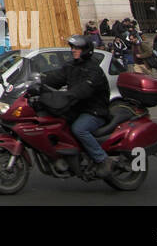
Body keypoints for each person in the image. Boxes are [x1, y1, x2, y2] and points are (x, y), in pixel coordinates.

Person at [35, 34, 114, 178]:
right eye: (73, 47)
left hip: (94, 110)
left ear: (86, 50)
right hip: (77, 108)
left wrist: (66, 96)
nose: (73, 50)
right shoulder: (71, 65)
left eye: (77, 48)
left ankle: (102, 159)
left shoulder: (93, 69)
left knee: (79, 129)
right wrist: (38, 81)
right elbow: (56, 78)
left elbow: (84, 90)